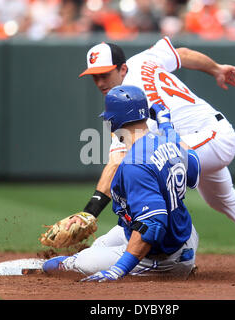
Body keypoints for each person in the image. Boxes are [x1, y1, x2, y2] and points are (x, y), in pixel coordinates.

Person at [72, 36, 235, 273]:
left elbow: (117, 162)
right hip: (200, 139)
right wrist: (216, 69)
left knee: (156, 170)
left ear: (122, 68)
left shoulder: (131, 101)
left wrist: (89, 212)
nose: (100, 82)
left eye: (105, 74)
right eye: (95, 76)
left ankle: (172, 255)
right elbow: (183, 53)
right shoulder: (143, 59)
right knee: (221, 197)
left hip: (211, 135)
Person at [42, 85, 201, 280]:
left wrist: (118, 270)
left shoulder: (134, 164)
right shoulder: (166, 141)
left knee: (66, 265)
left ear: (113, 121)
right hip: (184, 236)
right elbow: (193, 166)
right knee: (99, 245)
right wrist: (166, 126)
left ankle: (69, 263)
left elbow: (152, 224)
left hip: (162, 257)